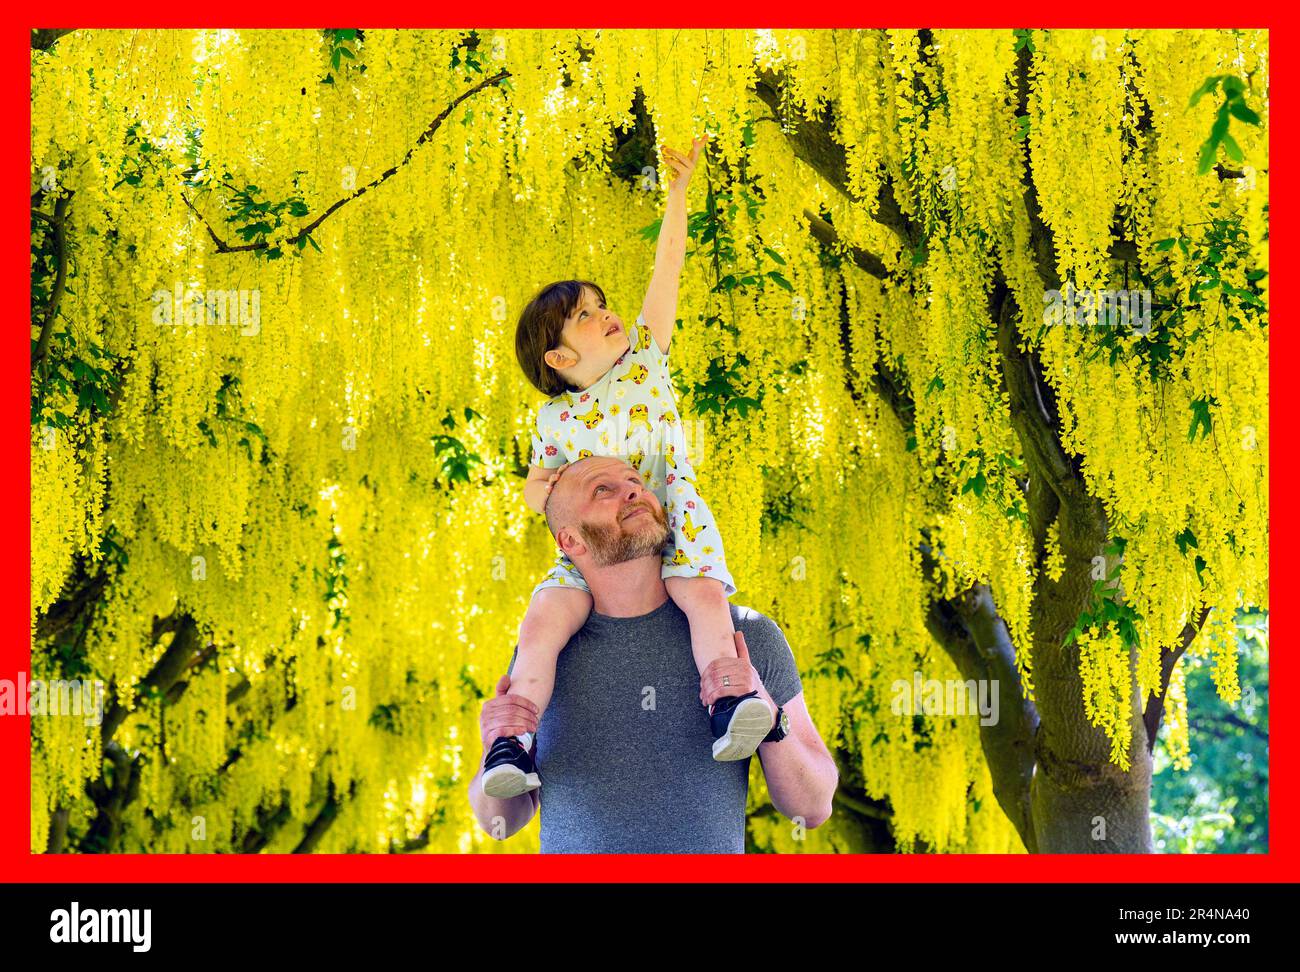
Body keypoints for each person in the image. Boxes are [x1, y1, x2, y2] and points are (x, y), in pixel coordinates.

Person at [481, 132, 771, 800]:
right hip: (596, 543)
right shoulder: (552, 423)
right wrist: (537, 488)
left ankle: (728, 703)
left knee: (703, 600)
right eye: (585, 316)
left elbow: (666, 269)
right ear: (556, 359)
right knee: (543, 619)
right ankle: (513, 742)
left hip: (674, 512)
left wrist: (678, 193)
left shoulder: (646, 361)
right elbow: (539, 499)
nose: (606, 314)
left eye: (600, 303)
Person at [467, 456, 839, 853]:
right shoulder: (544, 655)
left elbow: (812, 807)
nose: (633, 490)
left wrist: (768, 713)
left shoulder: (743, 636)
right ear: (570, 541)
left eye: (635, 480)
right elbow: (501, 823)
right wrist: (494, 746)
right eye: (602, 490)